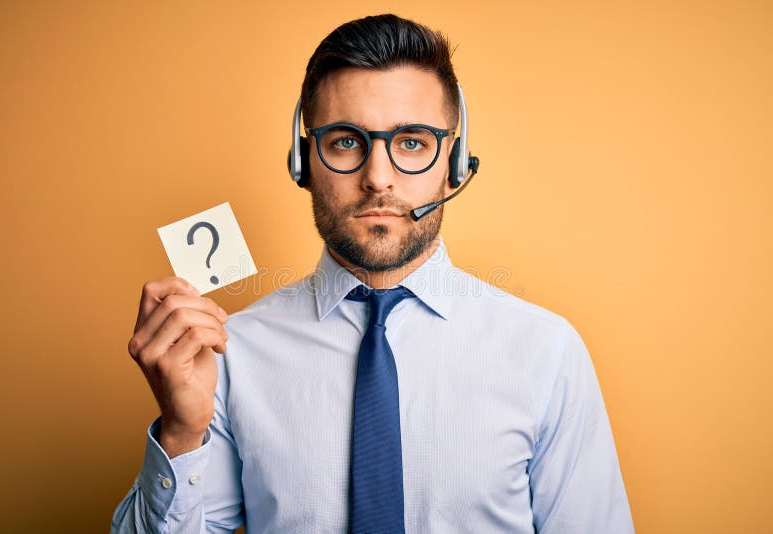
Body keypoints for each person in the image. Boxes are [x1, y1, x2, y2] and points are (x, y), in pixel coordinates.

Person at [112, 14, 634, 534]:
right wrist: (182, 435)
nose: (378, 178)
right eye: (345, 141)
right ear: (302, 161)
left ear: (452, 165)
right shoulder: (231, 352)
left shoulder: (546, 352)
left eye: (412, 142)